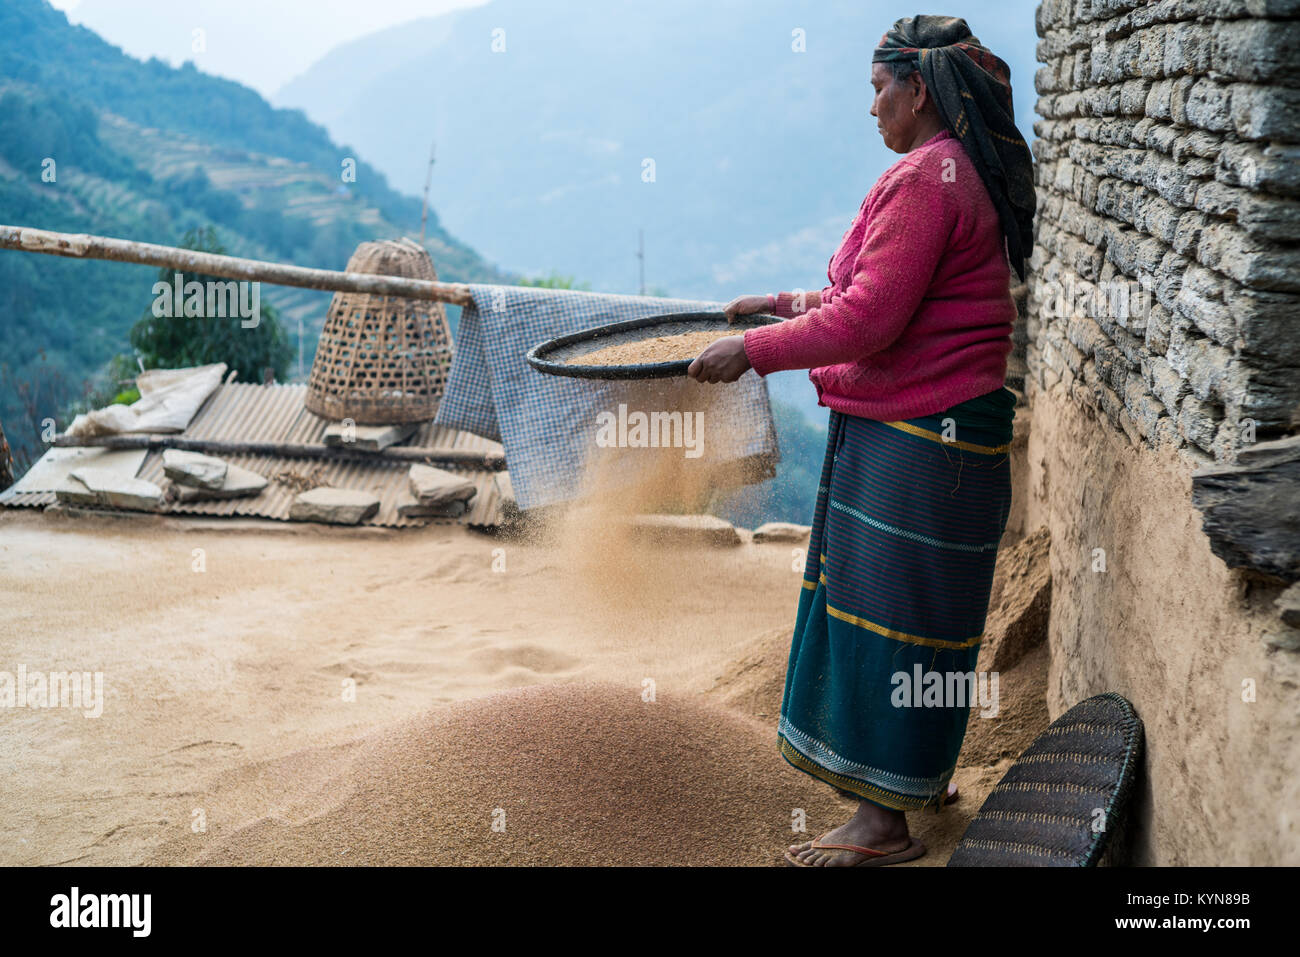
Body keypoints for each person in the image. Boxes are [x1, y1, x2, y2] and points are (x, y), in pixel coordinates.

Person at [687, 14, 1036, 867]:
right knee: (931, 623)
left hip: (917, 440)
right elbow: (878, 293)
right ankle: (917, 777)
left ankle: (882, 827)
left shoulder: (924, 182)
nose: (871, 107)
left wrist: (755, 352)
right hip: (949, 437)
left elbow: (870, 319)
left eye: (880, 89)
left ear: (919, 89)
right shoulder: (958, 173)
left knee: (883, 620)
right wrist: (778, 302)